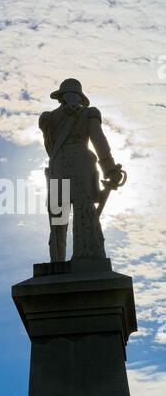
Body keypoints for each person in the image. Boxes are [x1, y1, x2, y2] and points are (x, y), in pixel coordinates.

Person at [39, 78, 123, 262]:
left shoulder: (49, 118)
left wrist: (110, 170)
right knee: (81, 211)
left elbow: (50, 147)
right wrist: (110, 169)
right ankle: (83, 257)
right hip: (79, 163)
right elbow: (99, 141)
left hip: (59, 164)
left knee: (60, 218)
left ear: (60, 97)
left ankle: (59, 261)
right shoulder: (86, 113)